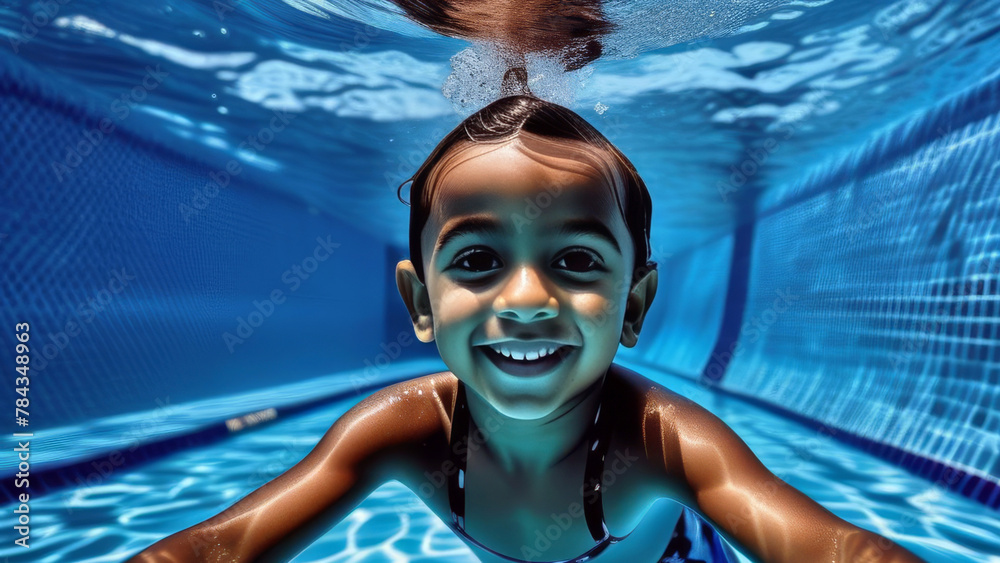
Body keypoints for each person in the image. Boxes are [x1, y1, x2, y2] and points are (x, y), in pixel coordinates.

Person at [127, 95, 925, 562]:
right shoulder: (396, 433)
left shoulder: (663, 442)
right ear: (421, 303)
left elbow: (827, 545)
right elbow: (221, 547)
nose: (527, 298)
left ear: (636, 305)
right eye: (476, 259)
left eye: (577, 260)